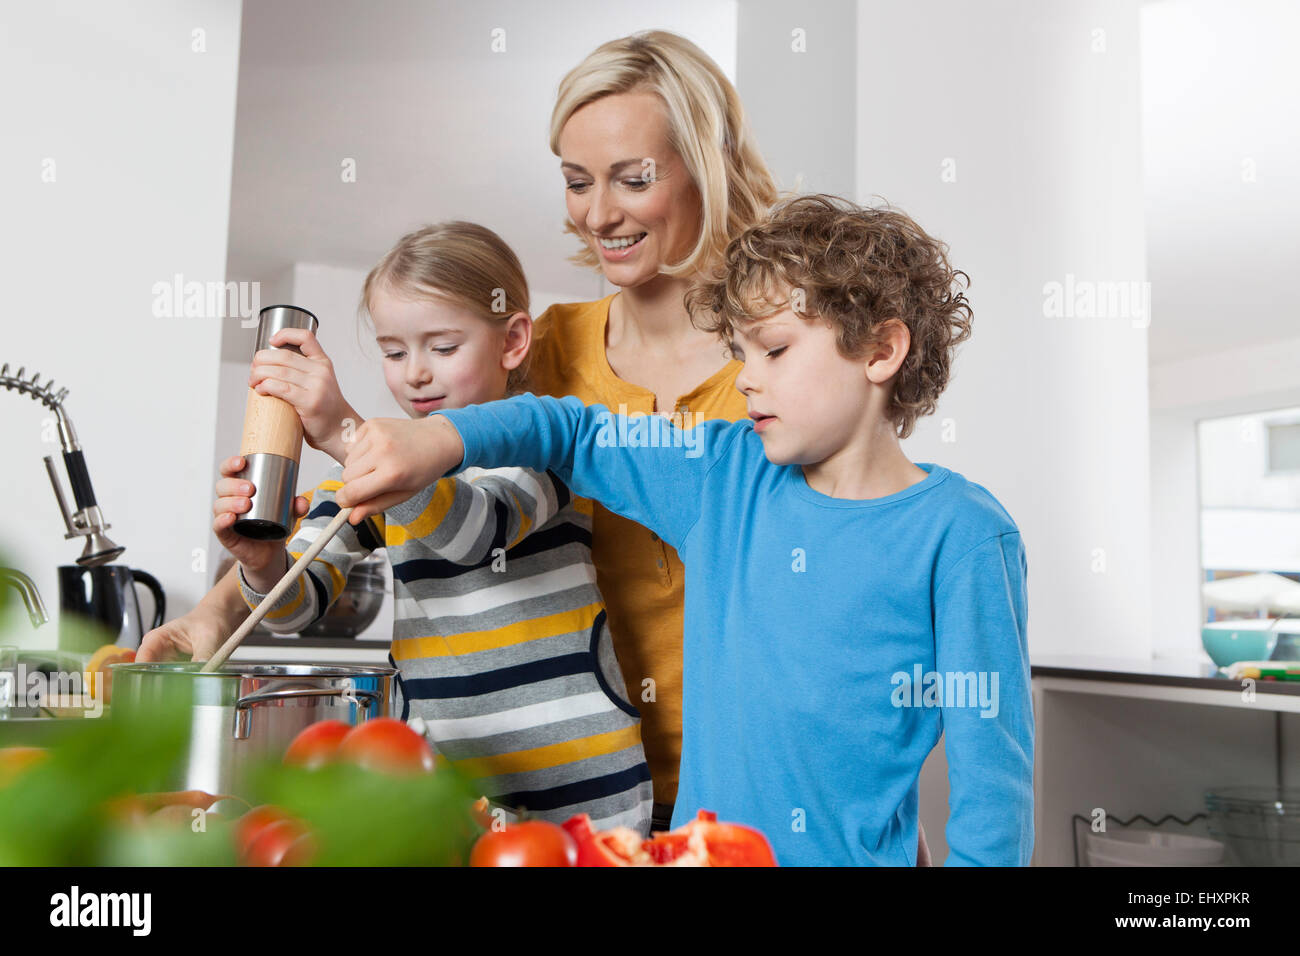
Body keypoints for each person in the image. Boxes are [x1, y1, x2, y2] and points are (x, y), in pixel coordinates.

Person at [140, 29, 931, 860]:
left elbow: (861, 570)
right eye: (576, 181)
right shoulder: (538, 361)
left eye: (633, 178)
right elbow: (348, 523)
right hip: (564, 806)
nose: (598, 214)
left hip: (764, 790)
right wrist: (214, 610)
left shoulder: (789, 366)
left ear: (708, 164)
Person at [331, 195, 1034, 866]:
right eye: (741, 352)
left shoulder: (964, 536)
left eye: (776, 351)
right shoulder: (719, 474)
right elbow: (571, 430)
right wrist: (443, 440)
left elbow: (991, 786)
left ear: (880, 350)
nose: (747, 379)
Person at [148, 222, 654, 833]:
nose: (415, 373)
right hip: (450, 794)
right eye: (393, 351)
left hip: (585, 787)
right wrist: (259, 559)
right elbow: (295, 608)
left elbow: (475, 533)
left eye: (442, 348)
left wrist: (343, 431)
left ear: (513, 340)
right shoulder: (369, 468)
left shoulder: (545, 443)